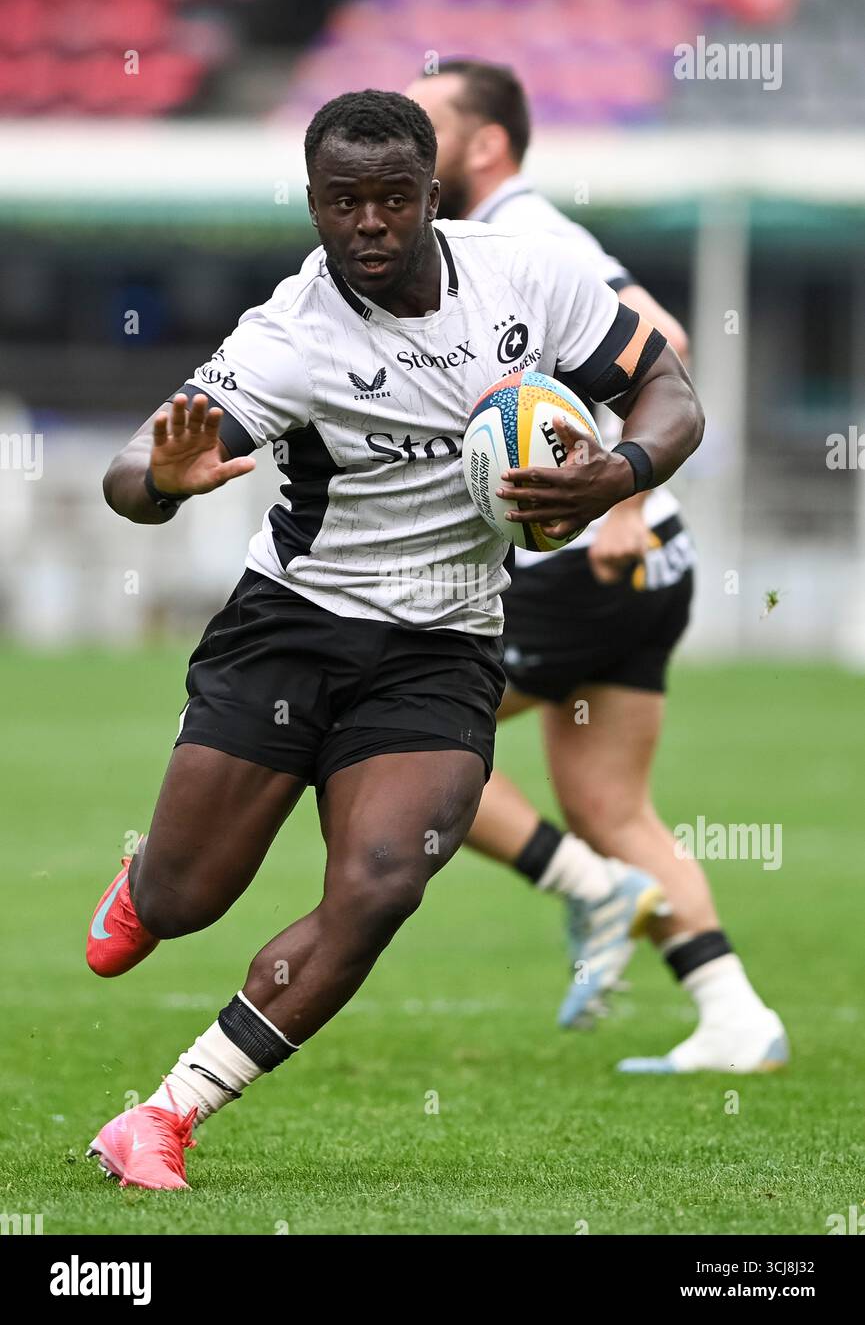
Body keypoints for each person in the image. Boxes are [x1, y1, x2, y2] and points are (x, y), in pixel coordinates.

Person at [84, 89, 703, 1190]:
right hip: (291, 630)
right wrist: (158, 485)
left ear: (431, 194)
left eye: (391, 198)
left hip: (443, 643)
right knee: (187, 901)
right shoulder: (290, 337)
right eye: (341, 202)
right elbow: (136, 466)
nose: (367, 223)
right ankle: (147, 884)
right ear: (315, 204)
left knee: (379, 882)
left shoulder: (526, 274)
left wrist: (623, 468)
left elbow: (667, 386)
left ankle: (166, 1114)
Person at [407, 60, 788, 1073]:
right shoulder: (483, 238)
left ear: (484, 143)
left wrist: (619, 492)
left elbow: (660, 337)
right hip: (647, 563)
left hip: (591, 560)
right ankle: (733, 1015)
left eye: (424, 121)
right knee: (613, 804)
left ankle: (586, 884)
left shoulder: (520, 234)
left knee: (409, 744)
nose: (403, 136)